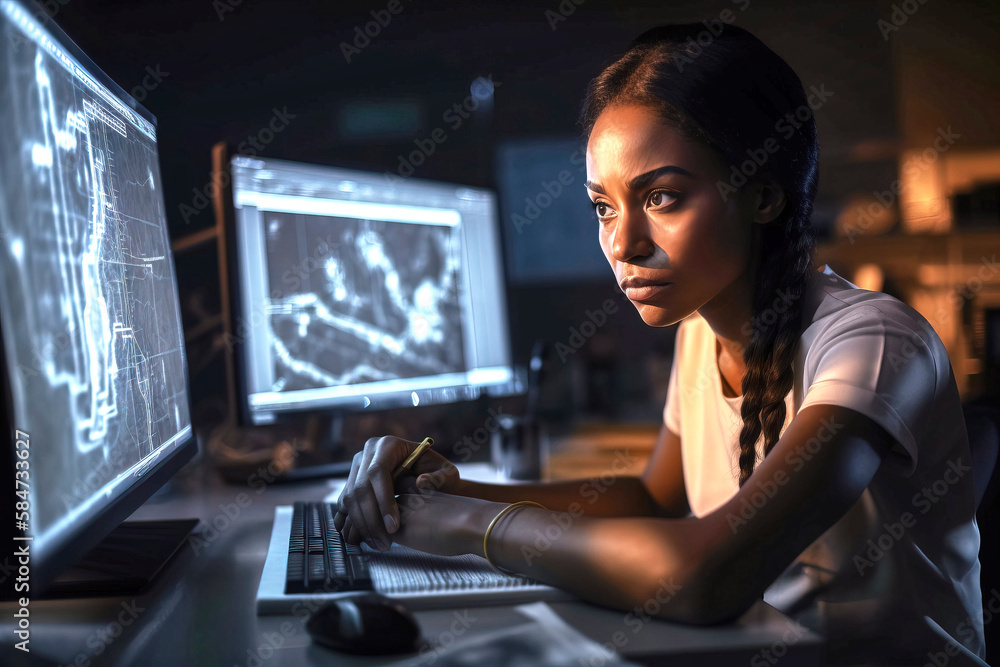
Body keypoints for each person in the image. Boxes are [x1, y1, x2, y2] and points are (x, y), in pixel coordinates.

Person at [334, 23, 987, 665]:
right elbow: (653, 499)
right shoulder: (701, 328)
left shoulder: (872, 342)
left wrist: (465, 527)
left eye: (663, 197)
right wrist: (455, 490)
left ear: (763, 194)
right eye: (604, 207)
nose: (622, 245)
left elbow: (705, 576)